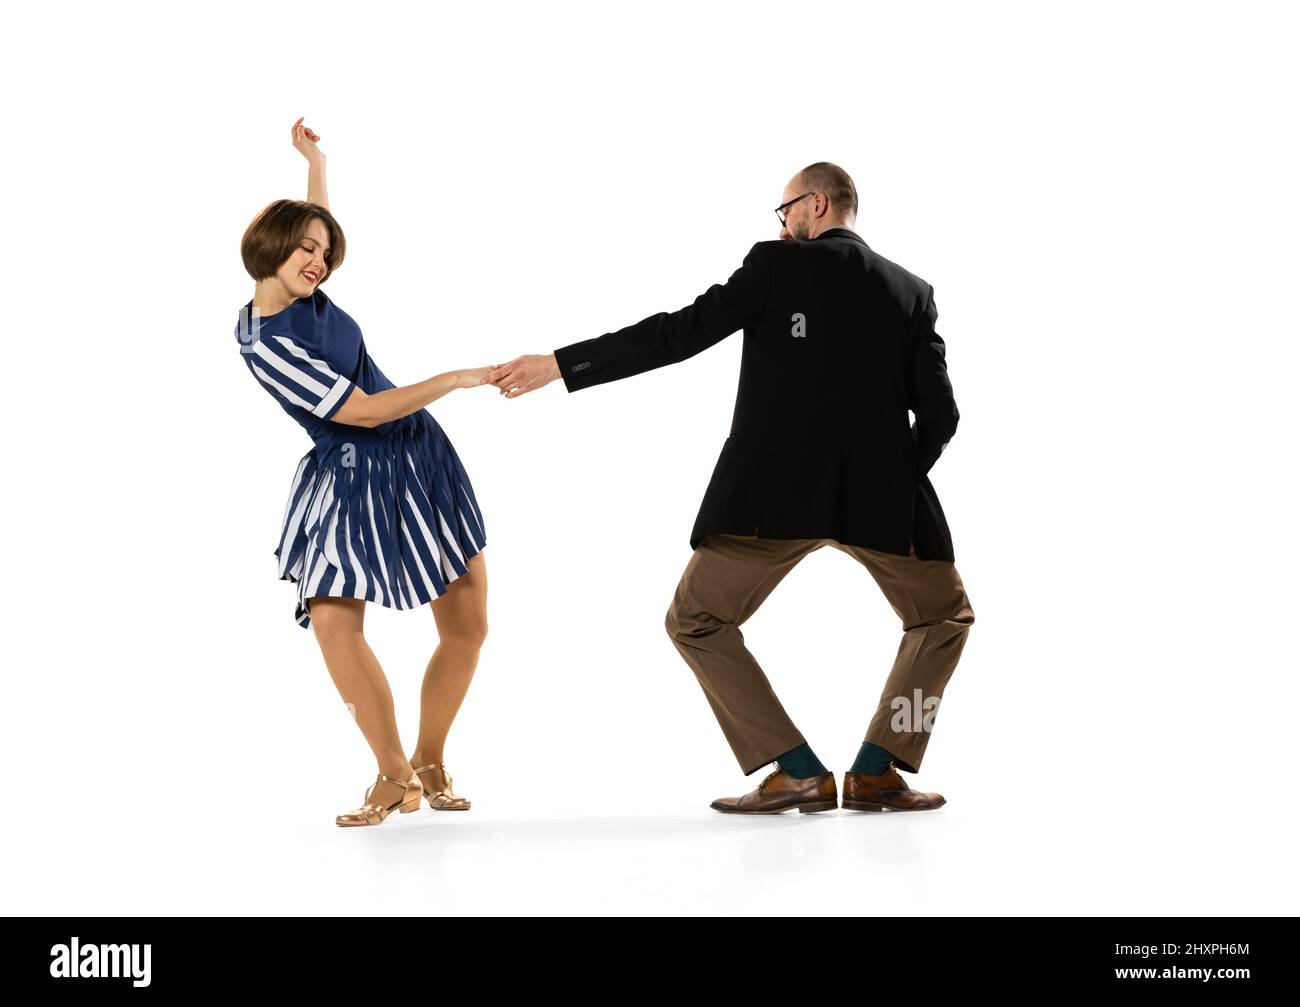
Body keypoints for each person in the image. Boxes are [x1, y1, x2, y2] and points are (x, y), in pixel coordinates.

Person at [482, 162, 975, 814]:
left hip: (773, 499)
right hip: (884, 504)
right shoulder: (911, 291)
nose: (781, 222)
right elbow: (941, 416)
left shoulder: (774, 267)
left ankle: (796, 767)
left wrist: (560, 366)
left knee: (696, 620)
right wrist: (893, 476)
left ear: (816, 204)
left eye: (785, 209)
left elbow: (676, 334)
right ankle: (879, 768)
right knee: (942, 618)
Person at [235, 118, 493, 826]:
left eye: (323, 250)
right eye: (304, 249)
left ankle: (428, 759)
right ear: (269, 249)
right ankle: (391, 774)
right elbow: (365, 411)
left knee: (468, 620)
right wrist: (456, 377)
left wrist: (314, 163)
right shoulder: (269, 343)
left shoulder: (300, 291)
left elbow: (314, 226)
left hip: (417, 453)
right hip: (355, 463)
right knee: (335, 622)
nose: (317, 259)